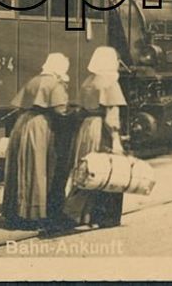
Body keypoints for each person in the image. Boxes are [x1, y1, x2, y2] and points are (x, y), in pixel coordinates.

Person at [2, 53, 72, 230]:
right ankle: (35, 214)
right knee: (38, 168)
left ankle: (16, 211)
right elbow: (61, 111)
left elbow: (19, 104)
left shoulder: (34, 80)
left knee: (21, 168)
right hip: (40, 126)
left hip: (23, 124)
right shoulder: (54, 84)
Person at [61, 46, 129, 228]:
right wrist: (116, 141)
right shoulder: (110, 82)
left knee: (87, 170)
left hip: (86, 128)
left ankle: (81, 214)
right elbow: (111, 117)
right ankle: (104, 217)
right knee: (107, 172)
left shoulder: (88, 82)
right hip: (101, 130)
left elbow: (81, 109)